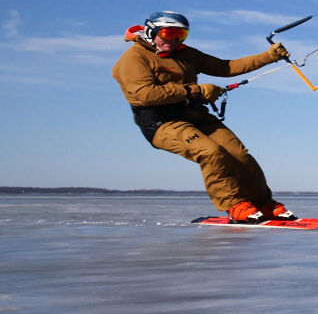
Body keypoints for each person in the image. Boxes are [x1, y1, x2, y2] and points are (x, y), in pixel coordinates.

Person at [111, 11, 295, 222]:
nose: (174, 39)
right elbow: (144, 95)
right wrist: (197, 91)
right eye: (168, 32)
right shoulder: (133, 58)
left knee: (240, 156)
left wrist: (269, 56)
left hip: (196, 115)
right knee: (211, 153)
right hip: (162, 122)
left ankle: (264, 203)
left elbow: (226, 67)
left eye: (181, 35)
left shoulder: (185, 53)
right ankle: (234, 205)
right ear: (152, 30)